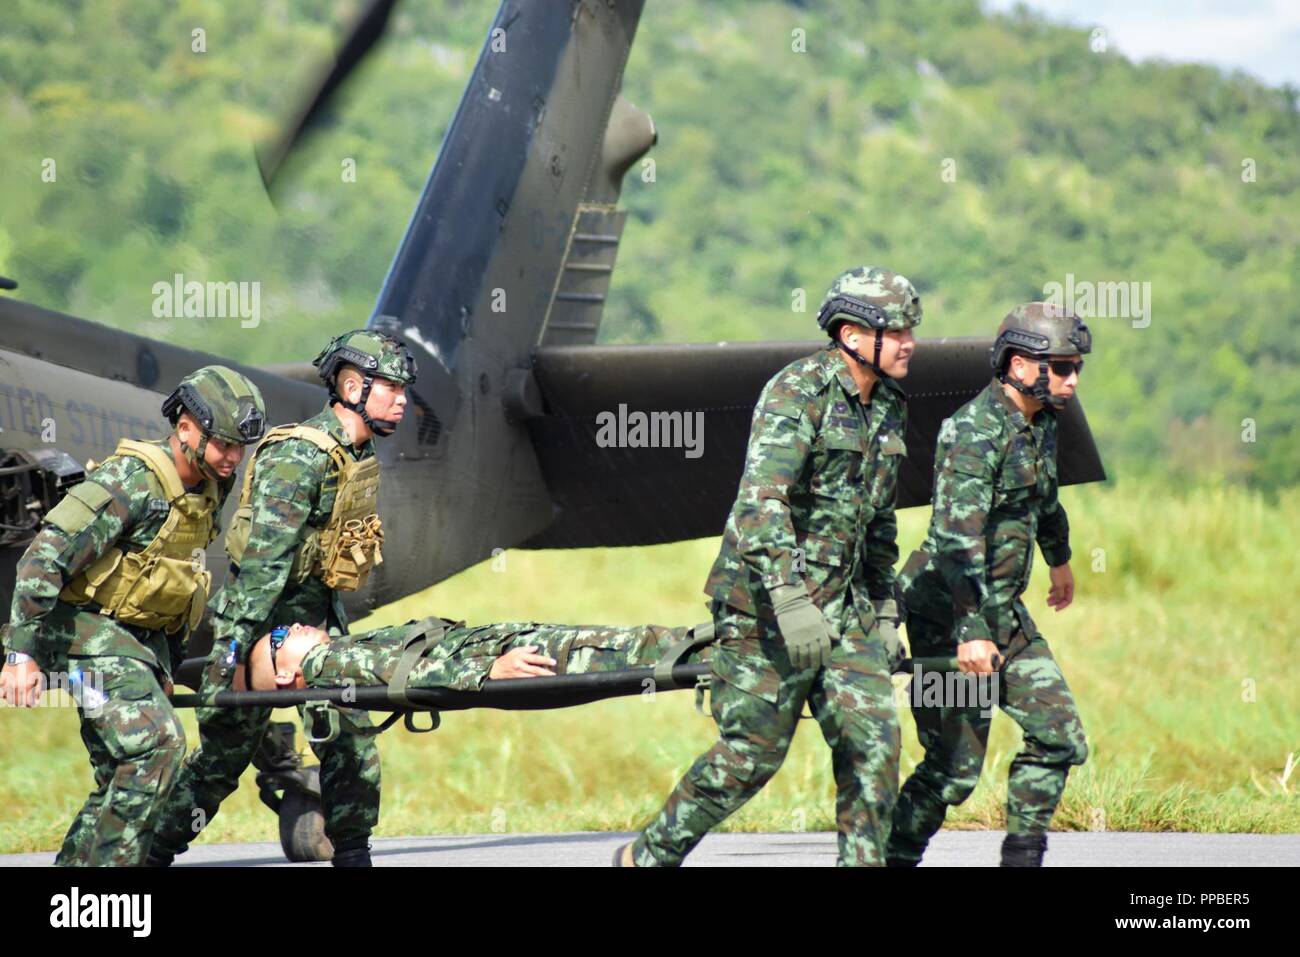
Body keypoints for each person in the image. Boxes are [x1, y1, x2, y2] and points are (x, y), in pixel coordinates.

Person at [617, 266, 920, 867]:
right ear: (853, 336)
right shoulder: (796, 393)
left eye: (913, 328)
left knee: (874, 750)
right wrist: (788, 598)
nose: (911, 341)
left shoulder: (888, 406)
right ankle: (645, 858)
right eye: (898, 329)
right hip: (763, 604)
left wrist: (885, 607)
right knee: (749, 757)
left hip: (844, 609)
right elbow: (760, 503)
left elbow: (878, 516)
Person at [150, 330, 416, 868]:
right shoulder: (300, 456)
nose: (403, 399)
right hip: (262, 634)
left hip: (313, 630)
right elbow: (263, 565)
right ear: (350, 385)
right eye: (391, 387)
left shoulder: (354, 455)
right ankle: (144, 857)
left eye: (404, 389)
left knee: (350, 743)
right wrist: (231, 653)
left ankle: (353, 854)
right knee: (220, 763)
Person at [0, 367, 266, 865]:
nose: (233, 458)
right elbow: (42, 560)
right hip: (79, 630)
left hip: (133, 642)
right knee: (156, 747)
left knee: (123, 772)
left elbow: (172, 588)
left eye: (239, 448)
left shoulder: (211, 485)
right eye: (224, 444)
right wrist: (21, 656)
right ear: (186, 427)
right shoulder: (131, 482)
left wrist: (161, 669)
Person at [886, 302, 1092, 868]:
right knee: (952, 773)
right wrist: (971, 632)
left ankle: (1020, 860)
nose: (1073, 380)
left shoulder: (1042, 421)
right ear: (1020, 366)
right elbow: (955, 537)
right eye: (1062, 367)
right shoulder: (973, 432)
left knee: (1059, 737)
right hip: (946, 616)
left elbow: (1044, 497)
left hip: (1002, 611)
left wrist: (1059, 558)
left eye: (1076, 367)